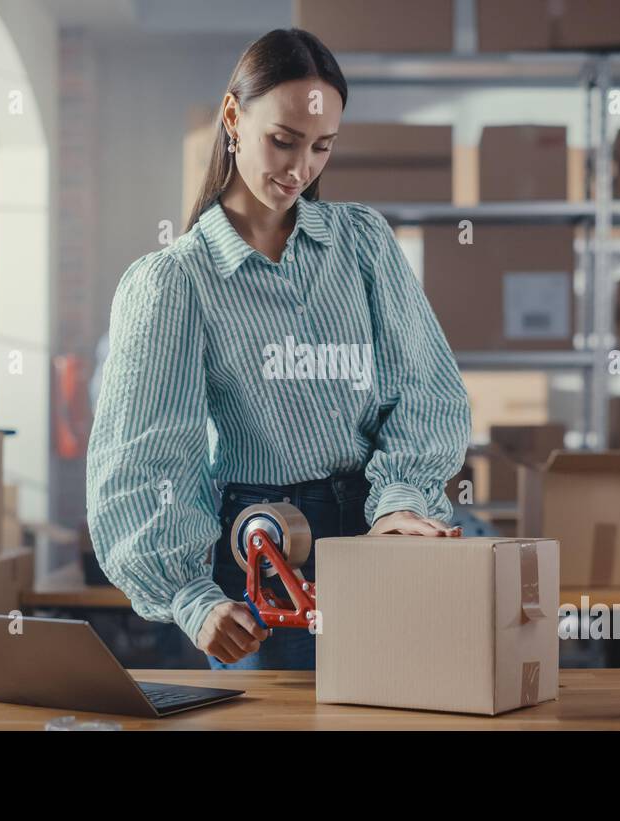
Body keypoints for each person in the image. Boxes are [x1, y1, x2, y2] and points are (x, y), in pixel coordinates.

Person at [86, 28, 470, 670]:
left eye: (322, 147)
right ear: (233, 117)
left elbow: (425, 391)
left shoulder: (364, 244)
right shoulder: (173, 283)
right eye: (282, 141)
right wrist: (190, 597)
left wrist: (402, 501)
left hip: (380, 536)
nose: (299, 170)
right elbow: (146, 458)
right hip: (263, 555)